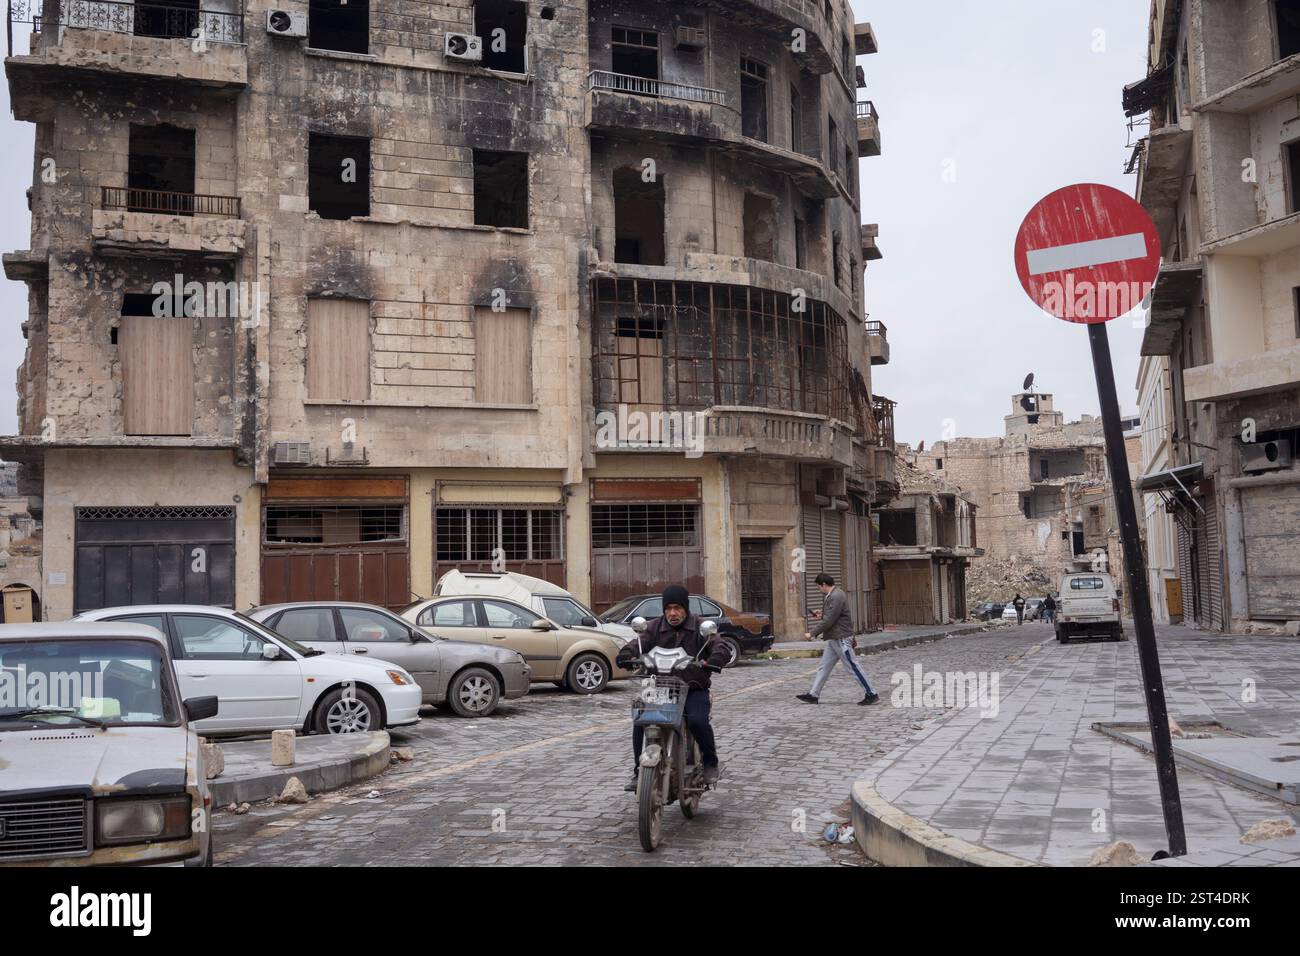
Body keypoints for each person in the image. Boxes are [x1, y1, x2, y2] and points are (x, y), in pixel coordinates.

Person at [616, 584, 730, 792]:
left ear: (686, 608)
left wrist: (715, 658)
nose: (673, 613)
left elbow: (718, 644)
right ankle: (638, 771)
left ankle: (710, 762)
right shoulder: (655, 627)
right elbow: (639, 642)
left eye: (677, 608)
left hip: (693, 686)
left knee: (697, 720)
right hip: (661, 687)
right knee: (641, 720)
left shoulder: (700, 626)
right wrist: (626, 653)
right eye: (668, 608)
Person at [796, 573, 880, 706]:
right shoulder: (834, 595)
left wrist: (811, 633)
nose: (819, 590)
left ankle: (871, 693)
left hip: (840, 638)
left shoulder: (836, 596)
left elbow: (830, 620)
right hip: (834, 638)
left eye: (819, 587)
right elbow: (832, 615)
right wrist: (821, 614)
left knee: (853, 666)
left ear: (824, 584)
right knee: (824, 667)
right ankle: (814, 694)